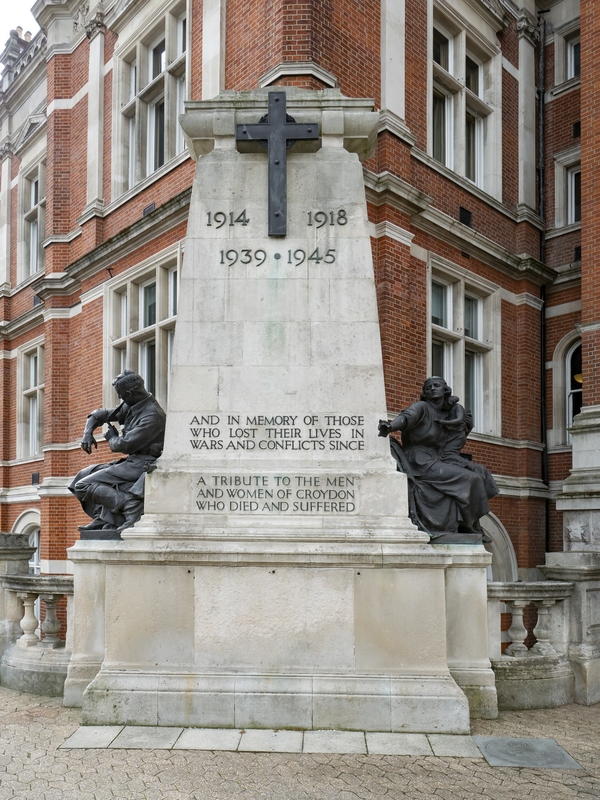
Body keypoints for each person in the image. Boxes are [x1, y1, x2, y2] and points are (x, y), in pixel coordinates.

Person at [378, 376, 498, 539]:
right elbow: (406, 418)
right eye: (428, 387)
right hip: (418, 460)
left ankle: (467, 521)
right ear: (424, 394)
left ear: (445, 391)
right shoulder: (421, 407)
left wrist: (464, 427)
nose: (432, 389)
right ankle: (471, 526)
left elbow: (451, 445)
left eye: (436, 386)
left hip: (437, 459)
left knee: (480, 472)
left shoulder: (448, 415)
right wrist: (391, 426)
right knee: (471, 479)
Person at [69, 370, 166, 533]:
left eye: (122, 395)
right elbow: (98, 414)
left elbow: (124, 445)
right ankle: (105, 518)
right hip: (133, 461)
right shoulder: (133, 404)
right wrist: (87, 433)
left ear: (131, 392)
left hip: (144, 463)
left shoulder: (152, 415)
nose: (121, 400)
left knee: (83, 485)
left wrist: (112, 437)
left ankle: (130, 505)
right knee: (83, 474)